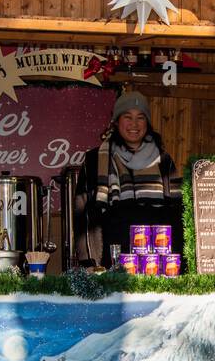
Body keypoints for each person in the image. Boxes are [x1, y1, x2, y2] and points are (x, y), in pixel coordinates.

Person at [79, 91, 184, 269]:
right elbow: (85, 214)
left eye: (140, 118)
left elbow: (177, 211)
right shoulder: (96, 159)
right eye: (127, 117)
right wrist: (91, 261)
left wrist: (178, 260)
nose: (134, 124)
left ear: (147, 123)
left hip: (157, 262)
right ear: (116, 121)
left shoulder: (163, 159)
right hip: (113, 259)